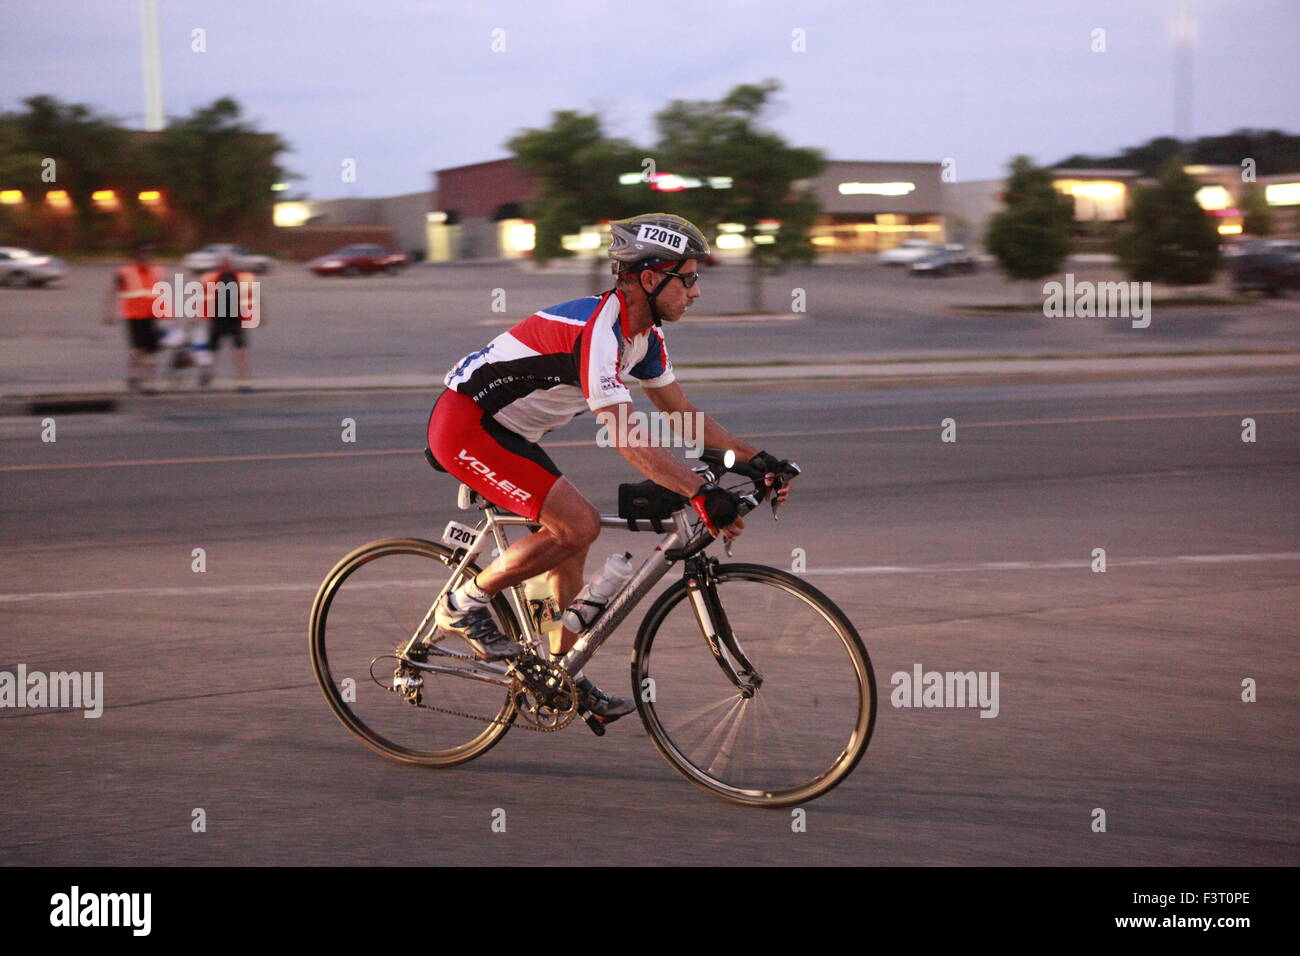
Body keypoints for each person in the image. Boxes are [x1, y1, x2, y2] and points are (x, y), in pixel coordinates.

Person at [426, 213, 795, 724]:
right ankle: (464, 604)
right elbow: (623, 432)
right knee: (578, 524)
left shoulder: (644, 337)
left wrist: (759, 460)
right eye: (687, 278)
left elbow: (683, 417)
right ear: (650, 278)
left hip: (513, 434)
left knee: (572, 539)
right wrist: (698, 492)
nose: (696, 291)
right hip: (467, 425)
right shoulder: (600, 330)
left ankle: (561, 672)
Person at [102, 242, 170, 392]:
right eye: (143, 253)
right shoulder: (125, 272)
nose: (146, 256)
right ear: (136, 255)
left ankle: (149, 383)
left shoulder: (158, 270)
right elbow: (113, 291)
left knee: (152, 350)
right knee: (138, 350)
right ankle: (134, 376)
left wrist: (168, 312)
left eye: (148, 253)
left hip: (152, 315)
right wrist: (108, 312)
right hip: (133, 315)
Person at [194, 256, 259, 389]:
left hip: (235, 319)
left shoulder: (241, 278)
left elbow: (251, 295)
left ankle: (243, 380)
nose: (226, 266)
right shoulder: (212, 277)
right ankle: (207, 374)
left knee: (240, 351)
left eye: (228, 264)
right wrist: (200, 315)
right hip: (219, 318)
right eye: (223, 264)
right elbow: (204, 297)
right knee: (213, 350)